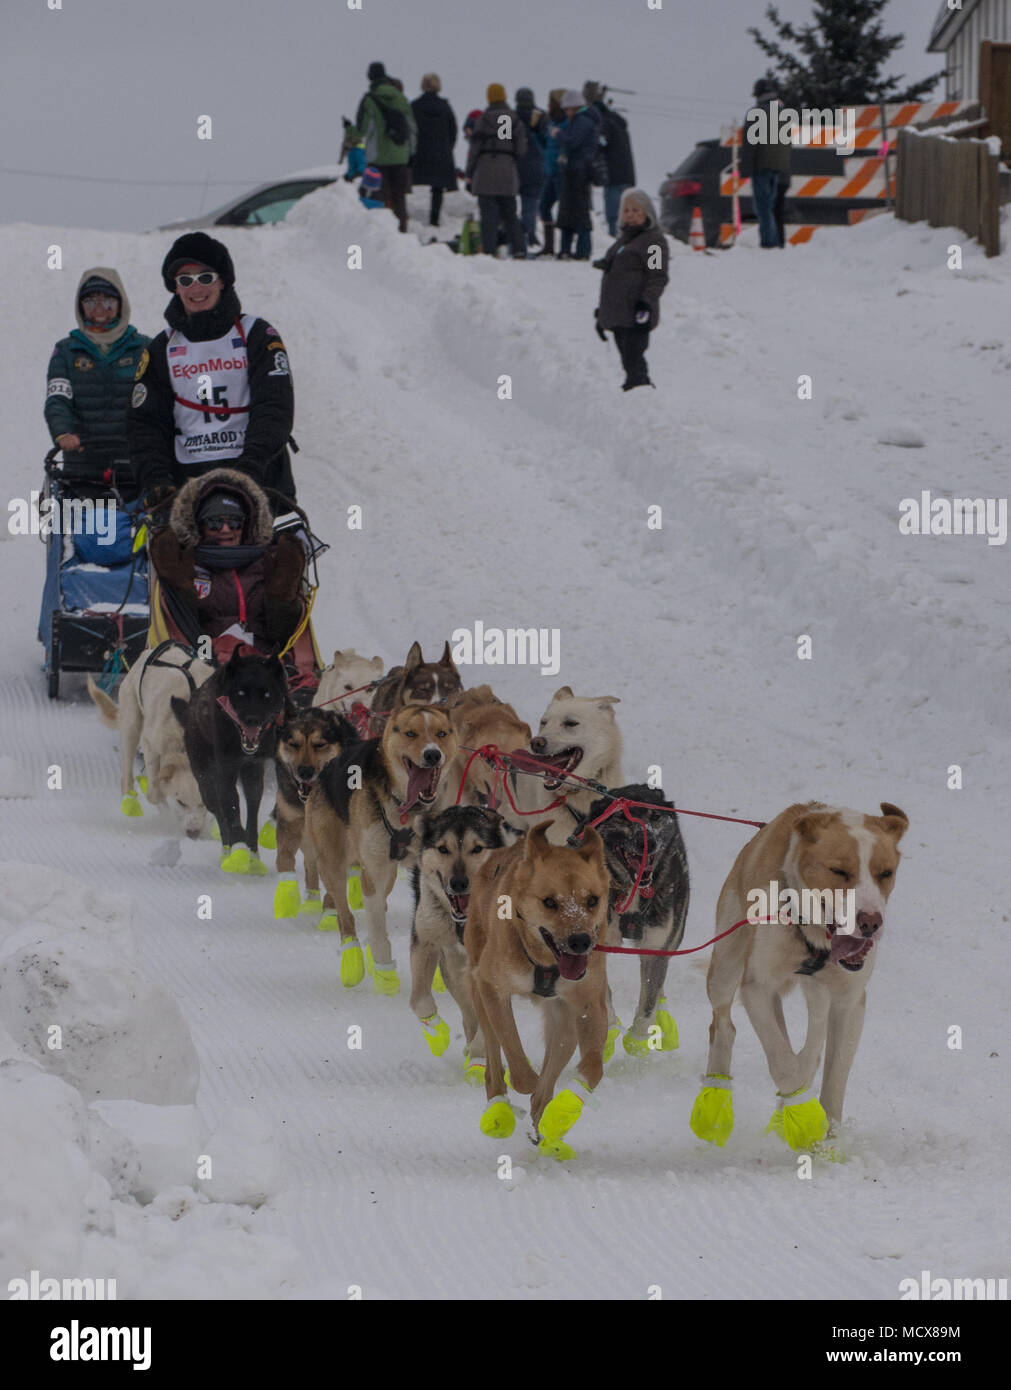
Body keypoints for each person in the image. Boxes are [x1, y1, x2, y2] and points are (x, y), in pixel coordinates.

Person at [128, 232, 296, 511]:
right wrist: (156, 479)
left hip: (260, 477)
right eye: (185, 280)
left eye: (205, 277)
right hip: (188, 485)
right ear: (175, 288)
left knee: (285, 552)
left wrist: (250, 467)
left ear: (222, 281)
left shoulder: (257, 334)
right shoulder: (161, 347)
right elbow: (145, 422)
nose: (196, 288)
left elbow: (275, 407)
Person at [149, 469, 303, 664]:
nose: (225, 529)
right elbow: (185, 632)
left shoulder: (268, 563)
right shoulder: (188, 566)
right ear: (200, 526)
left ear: (246, 525)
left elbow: (282, 636)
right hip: (203, 662)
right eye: (214, 523)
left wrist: (283, 596)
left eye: (234, 522)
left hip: (264, 664)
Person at [45, 268, 150, 495]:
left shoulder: (144, 348)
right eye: (91, 302)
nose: (100, 309)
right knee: (87, 527)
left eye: (108, 302)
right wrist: (63, 433)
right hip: (82, 465)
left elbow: (157, 400)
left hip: (134, 462)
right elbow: (58, 399)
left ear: (121, 304)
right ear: (80, 306)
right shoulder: (66, 351)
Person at [593, 188, 669, 391]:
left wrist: (646, 303)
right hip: (618, 312)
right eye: (626, 210)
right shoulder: (625, 240)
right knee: (627, 360)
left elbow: (657, 276)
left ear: (647, 212)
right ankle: (635, 392)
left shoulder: (653, 241)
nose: (631, 215)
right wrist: (602, 313)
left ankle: (641, 393)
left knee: (634, 359)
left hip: (635, 312)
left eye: (636, 210)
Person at [465, 84, 528, 260]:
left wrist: (469, 173)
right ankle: (519, 249)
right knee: (510, 214)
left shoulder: (484, 119)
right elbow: (518, 148)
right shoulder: (506, 119)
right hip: (506, 172)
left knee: (488, 216)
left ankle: (489, 251)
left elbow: (475, 150)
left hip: (485, 173)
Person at [356, 61, 417, 233]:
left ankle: (383, 237)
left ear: (369, 77)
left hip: (377, 158)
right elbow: (412, 127)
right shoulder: (400, 98)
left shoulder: (368, 100)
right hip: (400, 157)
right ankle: (402, 237)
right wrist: (411, 153)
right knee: (399, 200)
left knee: (378, 200)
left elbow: (361, 129)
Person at [741, 77, 792, 248]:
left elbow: (749, 144)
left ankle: (769, 242)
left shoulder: (756, 113)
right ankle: (777, 242)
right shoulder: (783, 113)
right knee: (773, 206)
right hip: (781, 168)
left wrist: (744, 169)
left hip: (761, 166)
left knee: (763, 207)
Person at [584, 82, 637, 237]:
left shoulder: (604, 125)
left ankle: (616, 243)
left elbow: (599, 144)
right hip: (627, 176)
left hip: (613, 176)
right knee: (628, 215)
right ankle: (627, 241)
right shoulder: (618, 124)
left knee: (614, 216)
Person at [554, 89, 601, 260]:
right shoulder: (585, 121)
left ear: (572, 107)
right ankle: (569, 249)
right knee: (571, 209)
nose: (566, 113)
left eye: (566, 109)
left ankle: (582, 249)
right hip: (576, 170)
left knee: (577, 210)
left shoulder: (582, 121)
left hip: (578, 170)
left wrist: (558, 134)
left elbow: (573, 142)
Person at [411, 74, 459, 228]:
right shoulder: (445, 107)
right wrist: (447, 147)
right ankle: (434, 218)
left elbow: (410, 129)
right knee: (437, 188)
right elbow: (453, 130)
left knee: (410, 182)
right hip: (441, 152)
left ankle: (408, 217)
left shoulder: (414, 106)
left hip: (421, 152)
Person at [514, 88, 547, 251]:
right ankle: (530, 234)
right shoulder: (541, 115)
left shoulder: (507, 116)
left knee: (509, 205)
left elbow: (502, 141)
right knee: (530, 204)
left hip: (513, 166)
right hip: (536, 166)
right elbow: (547, 141)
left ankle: (514, 235)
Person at [537, 90, 567, 257]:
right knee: (544, 206)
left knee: (562, 209)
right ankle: (549, 245)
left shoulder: (566, 122)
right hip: (551, 171)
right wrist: (536, 131)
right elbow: (546, 144)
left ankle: (563, 246)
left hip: (560, 171)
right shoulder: (550, 122)